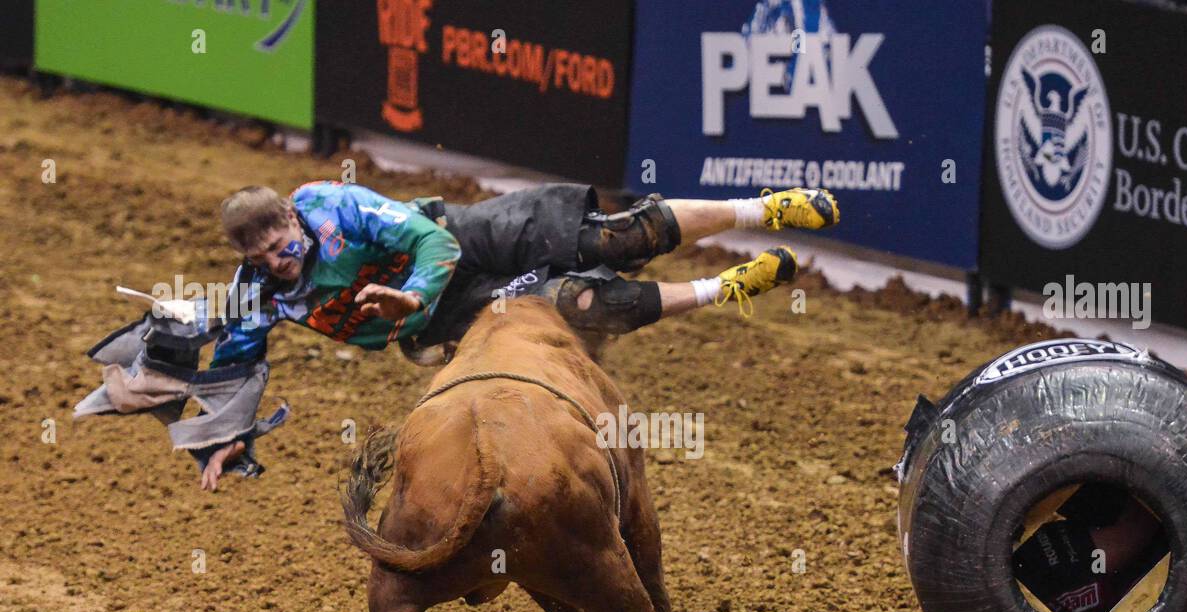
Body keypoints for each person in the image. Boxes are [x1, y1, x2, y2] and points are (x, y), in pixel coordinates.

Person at [78, 180, 841, 490]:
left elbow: (431, 246)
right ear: (249, 260)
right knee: (576, 308)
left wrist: (405, 298)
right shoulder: (260, 298)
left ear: (292, 216)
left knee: (612, 238)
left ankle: (761, 208)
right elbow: (239, 370)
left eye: (284, 238)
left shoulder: (334, 205)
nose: (285, 257)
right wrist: (227, 437)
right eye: (267, 257)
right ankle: (724, 288)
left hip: (463, 241)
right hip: (447, 319)